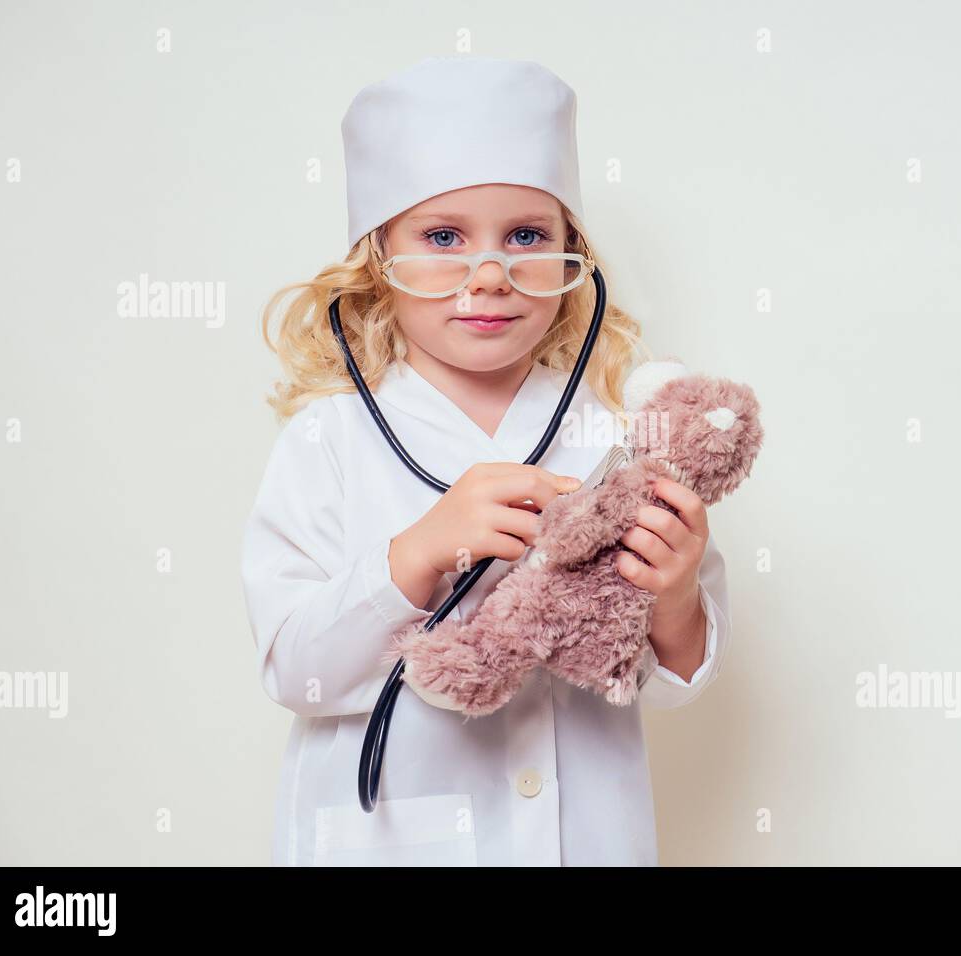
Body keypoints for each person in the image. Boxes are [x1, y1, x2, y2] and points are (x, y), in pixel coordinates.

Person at [240, 55, 731, 865]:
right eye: (442, 237)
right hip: (395, 841)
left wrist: (675, 594)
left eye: (528, 236)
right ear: (377, 261)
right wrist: (417, 553)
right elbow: (296, 672)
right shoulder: (327, 442)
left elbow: (677, 675)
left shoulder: (614, 435)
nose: (492, 275)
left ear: (572, 258)